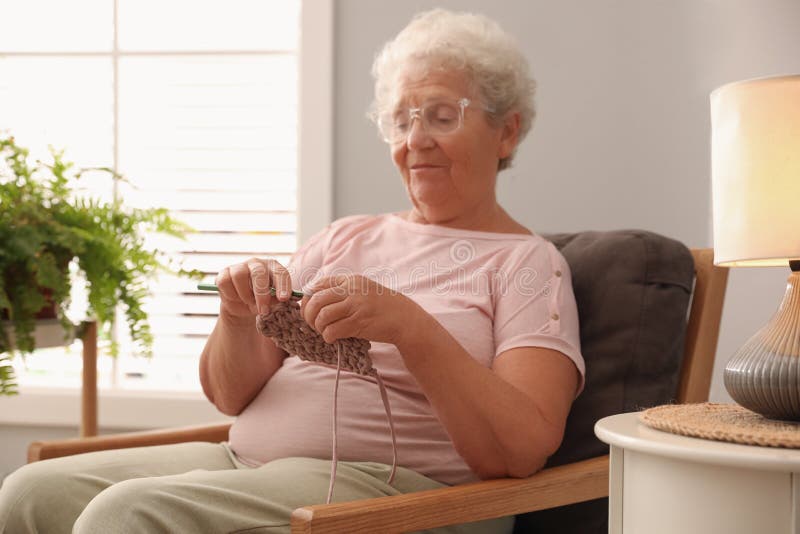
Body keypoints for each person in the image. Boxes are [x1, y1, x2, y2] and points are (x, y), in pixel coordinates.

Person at [0, 9, 584, 534]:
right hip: (247, 462)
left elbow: (521, 449)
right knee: (30, 493)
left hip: (394, 491)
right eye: (401, 121)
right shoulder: (345, 236)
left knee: (125, 515)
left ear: (506, 130)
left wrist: (411, 326)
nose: (415, 141)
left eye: (440, 116)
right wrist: (235, 315)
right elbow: (230, 397)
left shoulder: (526, 264)